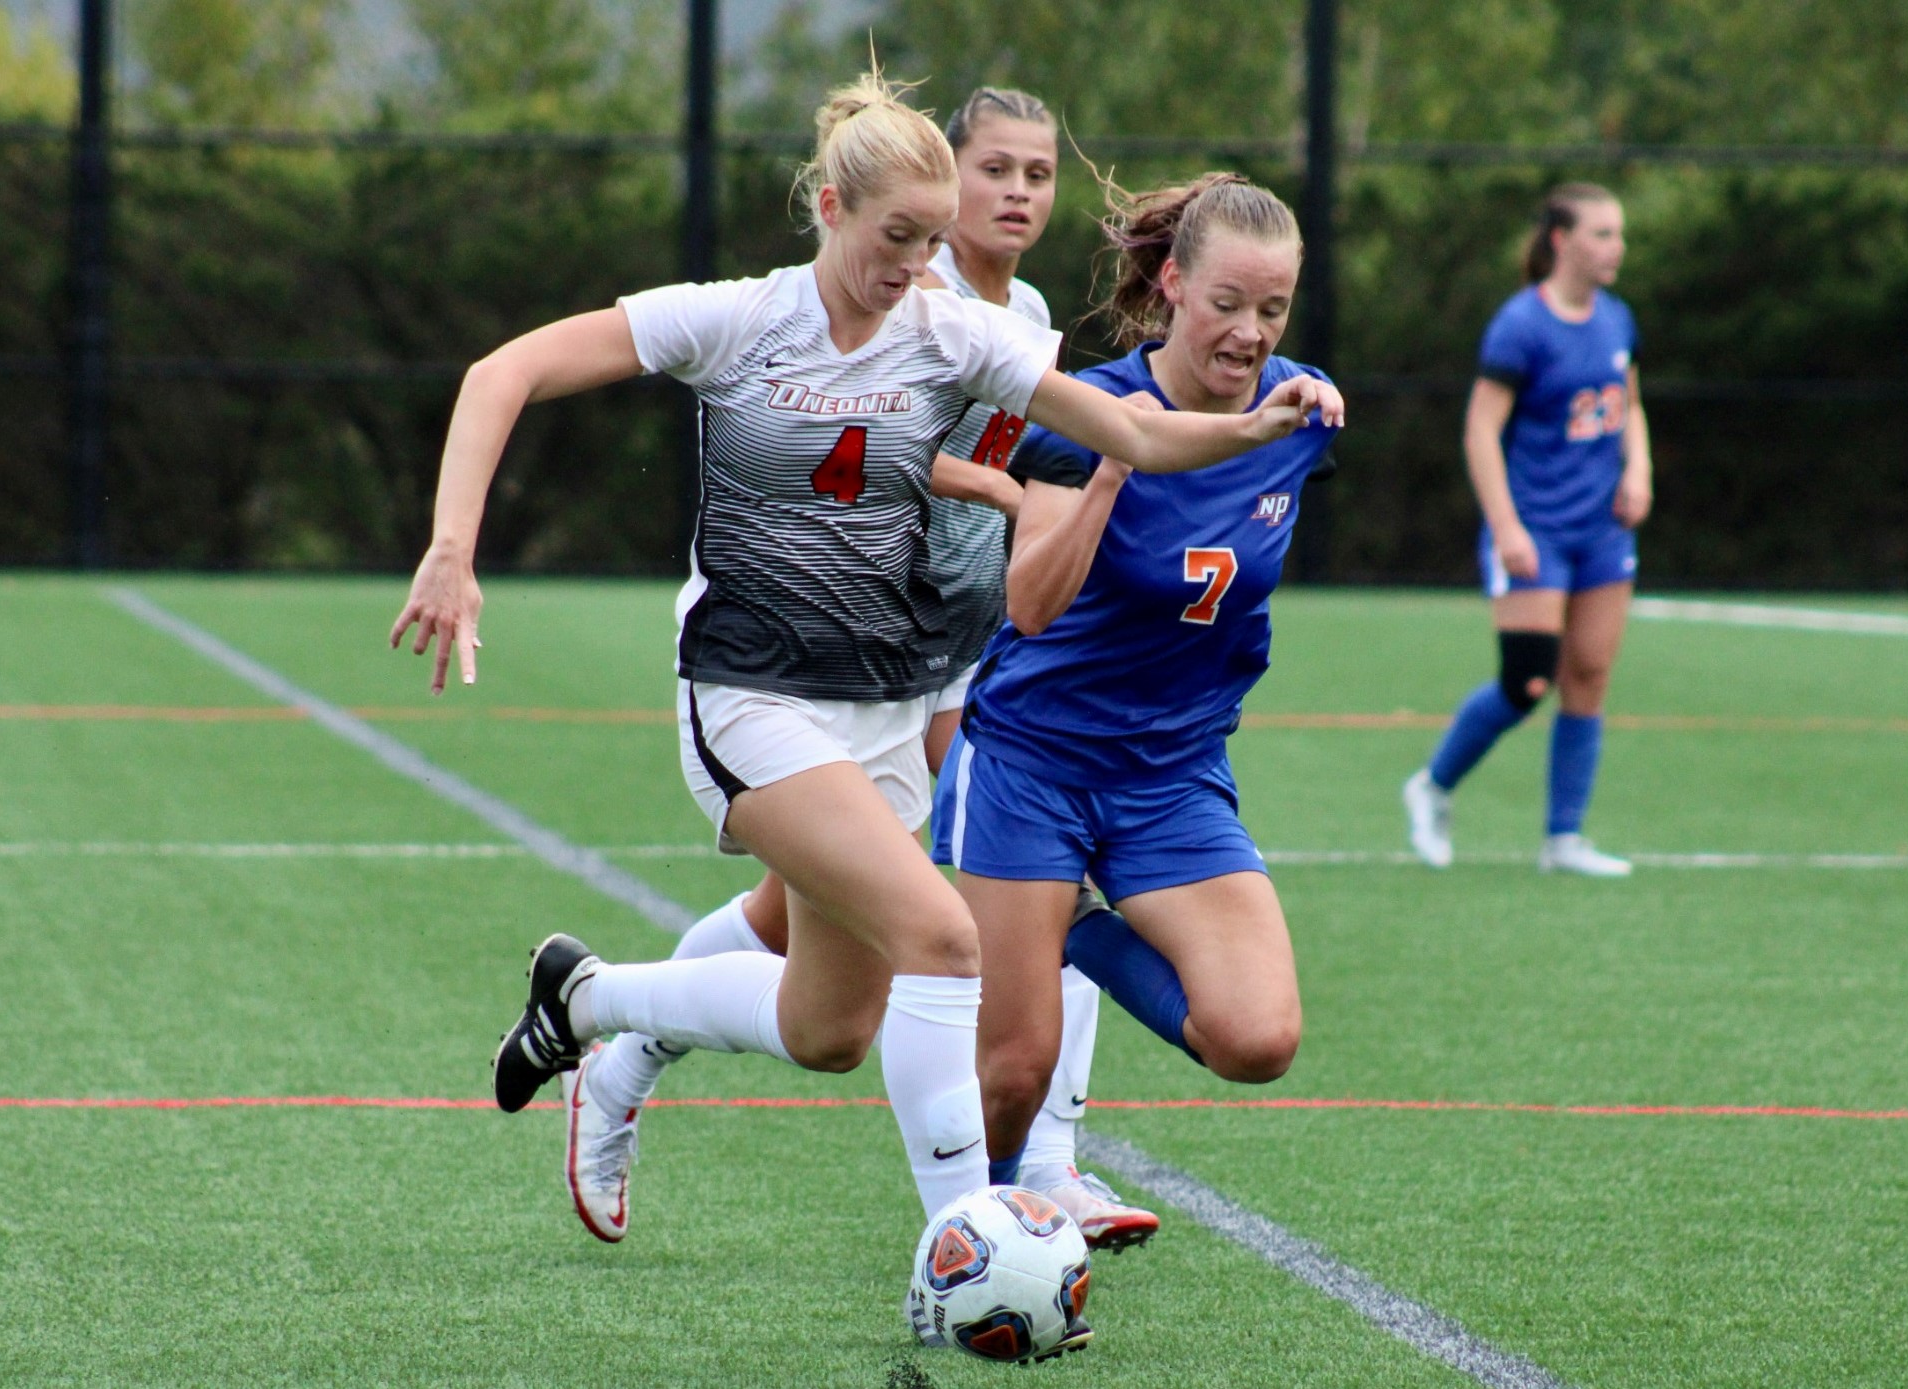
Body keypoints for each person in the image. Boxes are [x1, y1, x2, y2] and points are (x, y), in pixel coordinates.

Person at [388, 68, 1332, 1298]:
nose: (914, 267)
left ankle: (587, 997)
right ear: (828, 208)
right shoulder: (728, 319)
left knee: (830, 1027)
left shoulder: (950, 331)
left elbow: (1141, 435)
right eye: (897, 238)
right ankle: (966, 1265)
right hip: (748, 690)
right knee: (944, 939)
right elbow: (501, 372)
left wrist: (1264, 426)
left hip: (886, 697)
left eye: (930, 243)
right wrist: (454, 548)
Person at [620, 86, 1159, 1253]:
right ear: (945, 180)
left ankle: (624, 1029)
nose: (1017, 192)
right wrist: (1010, 489)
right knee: (980, 908)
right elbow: (857, 459)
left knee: (826, 959)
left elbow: (1065, 458)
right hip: (858, 651)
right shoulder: (905, 294)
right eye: (996, 170)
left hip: (959, 645)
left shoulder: (1016, 312)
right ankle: (1002, 1199)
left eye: (1039, 173)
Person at [933, 171, 1345, 1209]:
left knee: (1255, 1038)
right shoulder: (1084, 413)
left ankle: (1074, 920)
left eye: (1272, 309)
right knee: (1015, 1073)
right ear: (1170, 283)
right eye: (1226, 304)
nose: (1249, 333)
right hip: (1034, 758)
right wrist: (1120, 461)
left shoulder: (1299, 416)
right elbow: (1027, 605)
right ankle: (966, 1244)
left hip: (1171, 772)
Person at [1402, 183, 1652, 876]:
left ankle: (1563, 839)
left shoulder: (1617, 319)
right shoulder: (1521, 324)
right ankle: (1432, 786)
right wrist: (1506, 525)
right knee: (1528, 681)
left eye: (1618, 233)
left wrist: (1640, 472)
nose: (1616, 246)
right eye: (1602, 233)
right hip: (1536, 528)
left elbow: (1628, 404)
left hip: (1601, 531)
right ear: (1561, 240)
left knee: (1590, 675)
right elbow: (1481, 429)